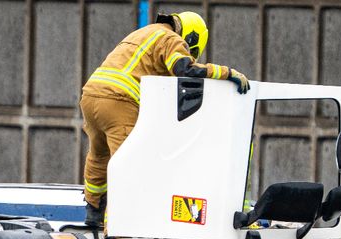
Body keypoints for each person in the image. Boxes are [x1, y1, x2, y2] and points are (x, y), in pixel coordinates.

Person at [80, 11, 251, 227]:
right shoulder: (171, 39)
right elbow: (185, 70)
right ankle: (117, 229)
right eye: (191, 50)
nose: (189, 53)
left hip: (91, 96)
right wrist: (226, 73)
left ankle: (94, 210)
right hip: (118, 101)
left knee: (99, 156)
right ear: (191, 38)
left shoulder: (146, 32)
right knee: (128, 166)